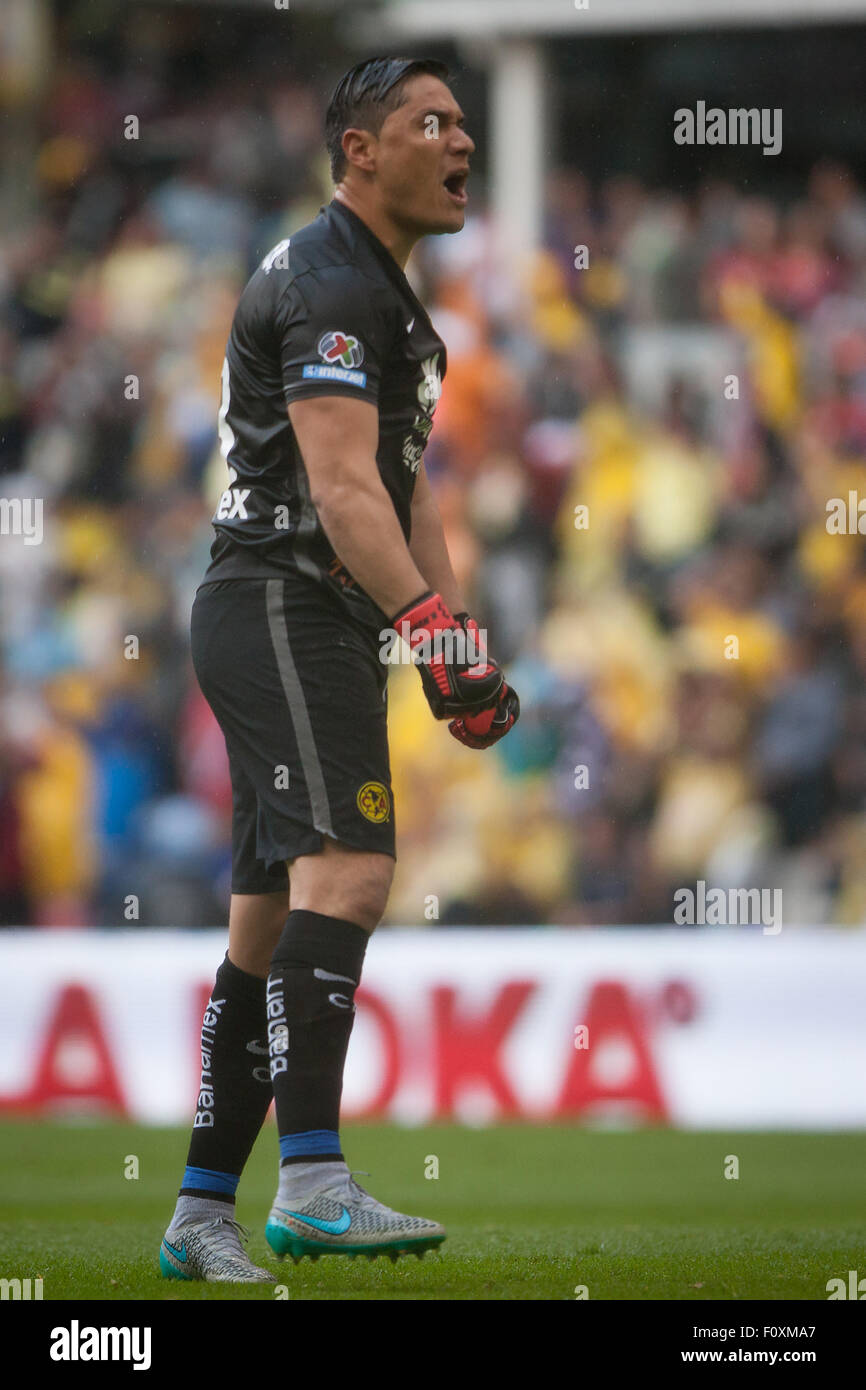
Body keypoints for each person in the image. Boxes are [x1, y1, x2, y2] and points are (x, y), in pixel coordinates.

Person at [159, 55, 519, 1282]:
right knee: (354, 869)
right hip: (283, 601)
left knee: (264, 925)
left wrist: (450, 638)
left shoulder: (383, 296)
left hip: (299, 608)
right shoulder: (325, 283)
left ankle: (201, 1210)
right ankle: (312, 1180)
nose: (460, 141)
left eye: (465, 123)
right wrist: (424, 626)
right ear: (360, 149)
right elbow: (343, 488)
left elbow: (406, 495)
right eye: (433, 122)